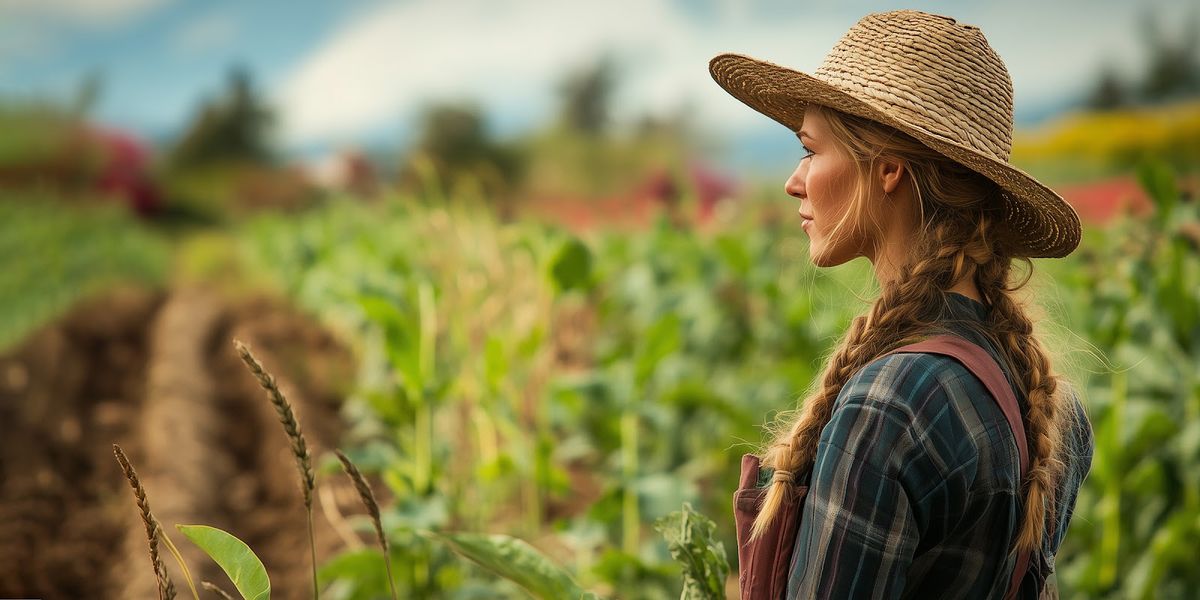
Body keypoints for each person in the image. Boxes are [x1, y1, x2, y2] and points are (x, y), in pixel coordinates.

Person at [709, 10, 1094, 599]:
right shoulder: (1052, 402)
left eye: (811, 150)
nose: (794, 180)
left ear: (887, 169)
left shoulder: (889, 407)